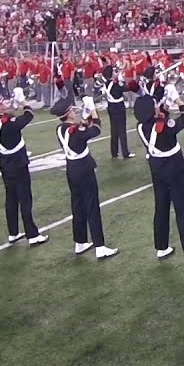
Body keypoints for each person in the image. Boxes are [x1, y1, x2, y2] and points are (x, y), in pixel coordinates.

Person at [133, 95, 184, 262]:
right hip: (173, 168)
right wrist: (178, 100)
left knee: (161, 208)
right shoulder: (165, 126)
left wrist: (163, 108)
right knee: (182, 209)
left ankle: (162, 247)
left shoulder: (140, 127)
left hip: (156, 168)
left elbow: (159, 124)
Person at [51, 97, 117, 259]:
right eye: (72, 110)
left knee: (77, 205)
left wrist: (86, 115)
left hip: (71, 170)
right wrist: (93, 110)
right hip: (84, 170)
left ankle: (80, 242)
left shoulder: (60, 129)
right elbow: (96, 130)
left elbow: (83, 128)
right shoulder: (75, 131)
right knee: (92, 206)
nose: (74, 112)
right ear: (69, 114)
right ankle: (100, 247)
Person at [0, 92, 48, 247]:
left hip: (5, 163)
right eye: (2, 102)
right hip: (17, 163)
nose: (5, 102)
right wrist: (23, 101)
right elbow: (28, 115)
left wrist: (13, 107)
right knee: (25, 198)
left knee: (11, 198)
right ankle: (32, 235)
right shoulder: (8, 124)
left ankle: (13, 232)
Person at [101, 65, 133, 159]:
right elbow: (127, 88)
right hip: (119, 107)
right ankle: (125, 153)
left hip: (111, 107)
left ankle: (114, 152)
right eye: (114, 72)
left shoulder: (106, 83)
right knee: (121, 130)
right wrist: (121, 80)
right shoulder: (115, 84)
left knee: (114, 130)